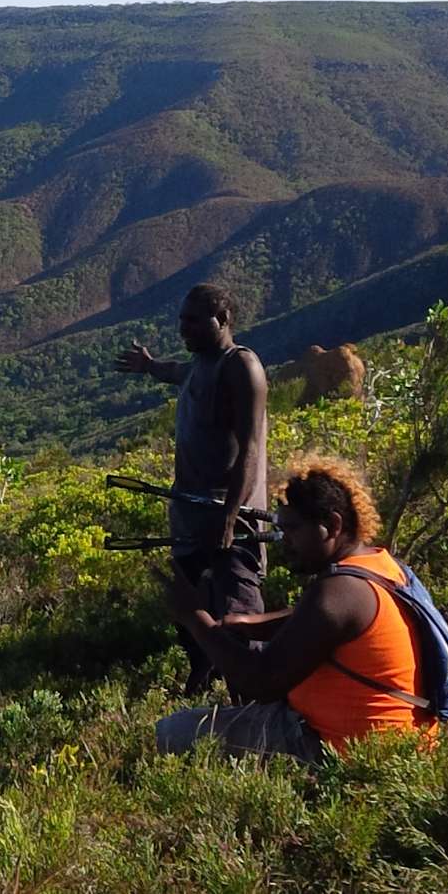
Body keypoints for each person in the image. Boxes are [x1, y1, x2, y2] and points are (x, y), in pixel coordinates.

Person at [153, 456, 437, 761]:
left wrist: (195, 618)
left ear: (332, 525)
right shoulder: (380, 567)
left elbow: (261, 682)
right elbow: (334, 622)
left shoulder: (337, 592)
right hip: (402, 745)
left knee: (173, 731)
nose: (284, 542)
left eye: (293, 530)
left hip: (341, 749)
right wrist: (257, 623)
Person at [116, 282, 269, 694]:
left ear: (223, 321)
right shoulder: (200, 365)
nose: (184, 329)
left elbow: (251, 448)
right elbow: (176, 372)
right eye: (181, 320)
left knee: (239, 608)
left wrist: (230, 515)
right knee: (189, 607)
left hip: (230, 519)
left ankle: (254, 693)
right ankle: (203, 676)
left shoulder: (241, 366)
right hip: (189, 516)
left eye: (193, 321)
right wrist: (148, 365)